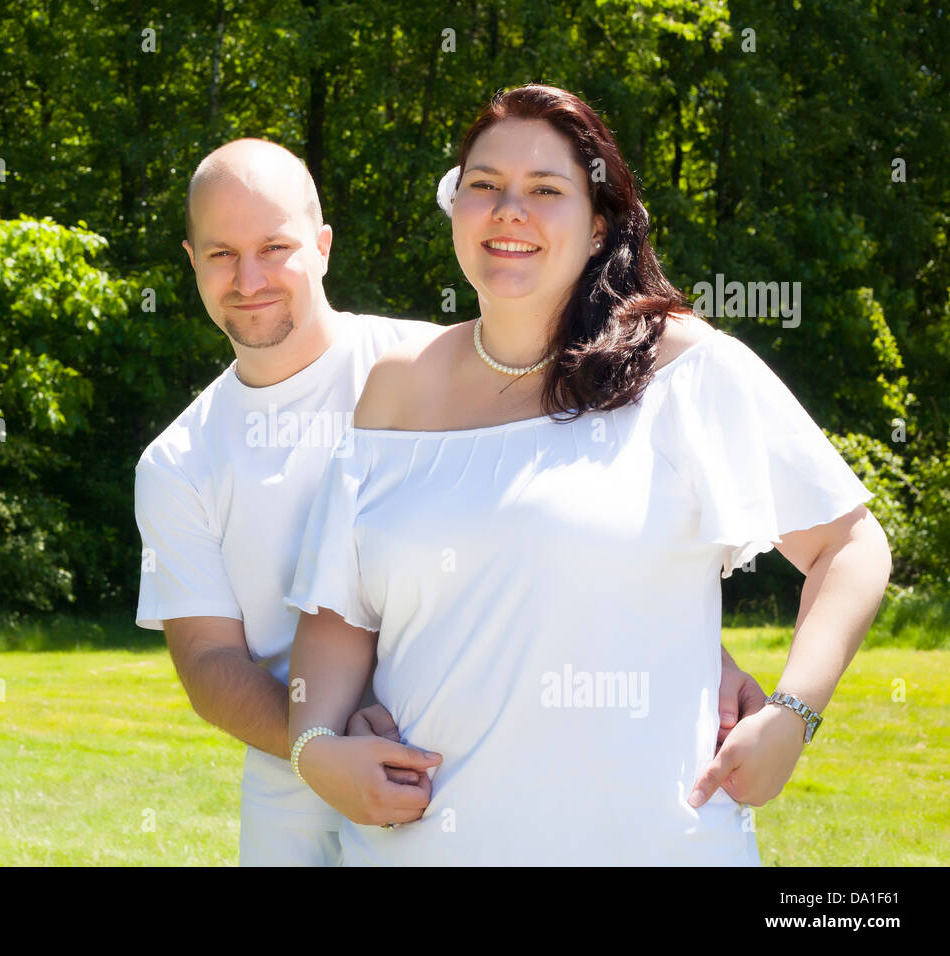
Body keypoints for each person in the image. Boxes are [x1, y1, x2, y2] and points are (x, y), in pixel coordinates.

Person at [285, 85, 892, 866]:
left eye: (546, 190)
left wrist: (792, 715)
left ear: (599, 221)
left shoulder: (681, 366)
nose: (510, 210)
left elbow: (850, 545)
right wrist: (314, 748)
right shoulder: (396, 389)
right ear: (456, 205)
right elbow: (339, 613)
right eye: (485, 185)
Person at [135, 137, 768, 867]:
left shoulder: (427, 372)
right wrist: (325, 747)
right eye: (220, 254)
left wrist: (702, 657)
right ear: (191, 260)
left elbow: (568, 525)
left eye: (274, 246)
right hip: (293, 813)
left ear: (323, 244)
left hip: (470, 790)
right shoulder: (178, 462)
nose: (249, 277)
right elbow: (209, 663)